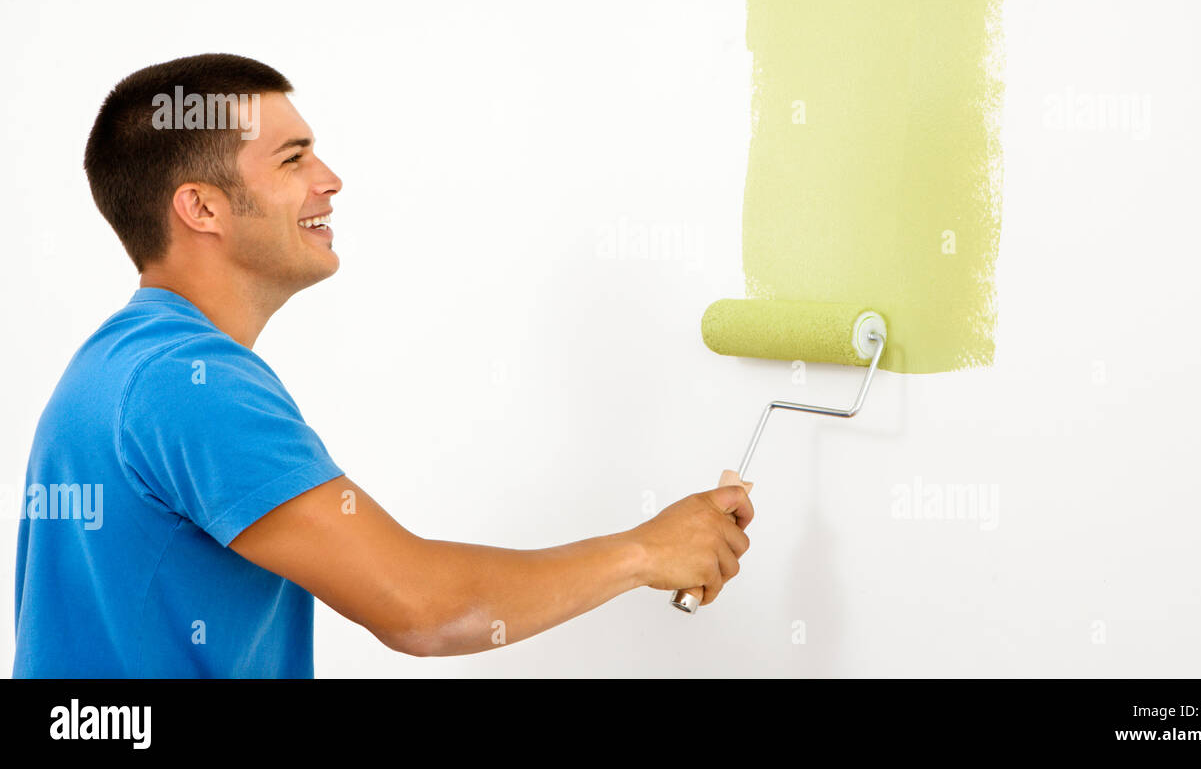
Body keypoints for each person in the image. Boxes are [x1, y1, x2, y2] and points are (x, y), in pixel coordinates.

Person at [12, 53, 753, 677]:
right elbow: (421, 610)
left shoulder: (125, 363)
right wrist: (644, 551)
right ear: (202, 208)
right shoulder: (185, 382)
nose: (329, 178)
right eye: (293, 157)